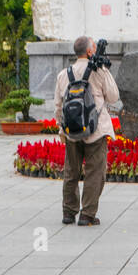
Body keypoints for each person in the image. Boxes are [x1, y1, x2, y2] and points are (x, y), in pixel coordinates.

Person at [53, 35, 120, 226]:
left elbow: (59, 106)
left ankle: (68, 212)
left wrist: (63, 127)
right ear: (90, 51)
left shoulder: (63, 74)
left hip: (71, 130)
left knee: (71, 172)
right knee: (95, 172)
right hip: (95, 130)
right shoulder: (99, 71)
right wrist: (104, 72)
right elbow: (114, 97)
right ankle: (87, 214)